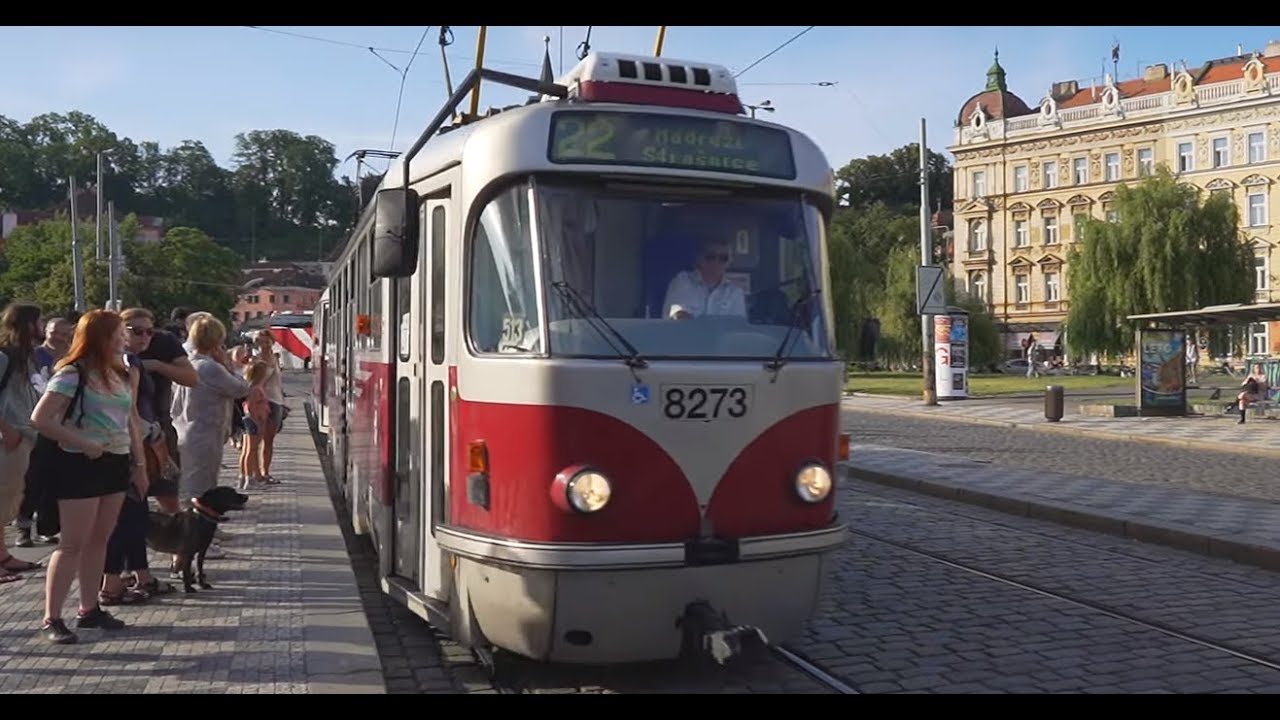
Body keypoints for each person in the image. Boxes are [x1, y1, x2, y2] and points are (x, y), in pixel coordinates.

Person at [31, 310, 148, 644]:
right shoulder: (72, 373)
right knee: (72, 543)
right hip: (79, 464)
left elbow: (131, 420)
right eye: (119, 333)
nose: (125, 338)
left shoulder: (121, 372)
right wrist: (83, 443)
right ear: (100, 337)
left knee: (100, 539)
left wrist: (140, 465)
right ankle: (52, 617)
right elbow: (41, 418)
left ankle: (89, 609)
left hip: (116, 461)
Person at [170, 316, 250, 560]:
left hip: (188, 429)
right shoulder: (209, 367)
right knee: (198, 491)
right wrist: (226, 363)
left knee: (203, 487)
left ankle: (207, 532)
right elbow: (241, 388)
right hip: (203, 434)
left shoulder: (189, 362)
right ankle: (190, 544)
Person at [0, 303, 49, 582]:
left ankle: (3, 555)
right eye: (39, 321)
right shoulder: (4, 356)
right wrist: (7, 430)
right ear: (28, 324)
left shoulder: (27, 357)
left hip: (25, 437)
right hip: (8, 438)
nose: (42, 326)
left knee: (9, 499)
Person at [662, 237, 747, 321]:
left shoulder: (735, 293)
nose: (716, 262)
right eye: (711, 257)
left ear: (729, 262)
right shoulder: (682, 282)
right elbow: (674, 315)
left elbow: (738, 325)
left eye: (723, 258)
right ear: (699, 259)